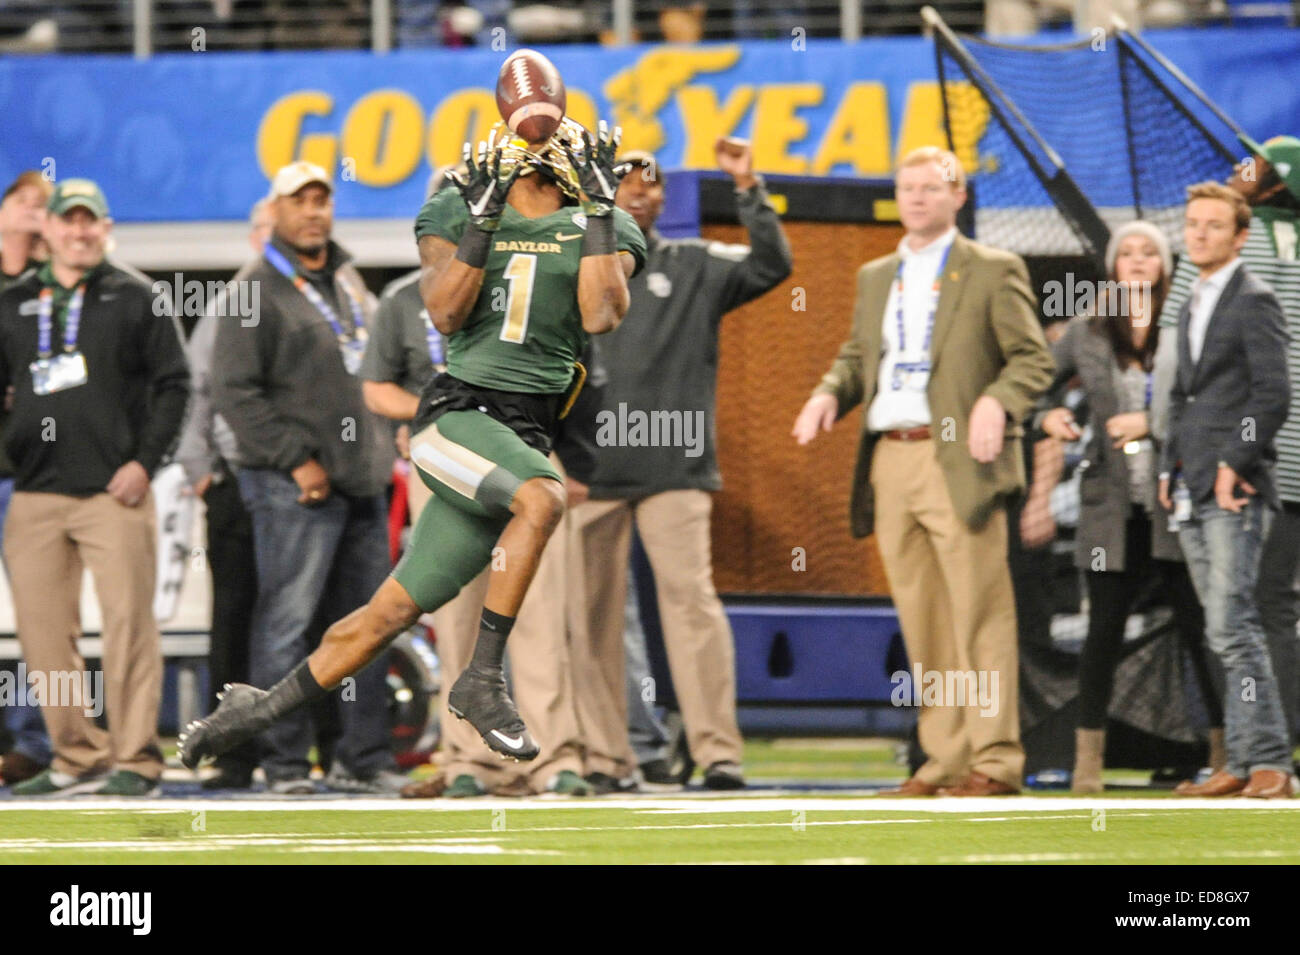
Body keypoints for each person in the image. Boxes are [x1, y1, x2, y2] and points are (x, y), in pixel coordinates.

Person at [179, 118, 646, 775]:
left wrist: (599, 211)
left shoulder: (602, 221)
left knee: (385, 614)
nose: (551, 156)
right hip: (459, 417)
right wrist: (481, 226)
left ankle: (253, 710)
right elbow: (446, 314)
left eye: (560, 146)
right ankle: (483, 677)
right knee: (542, 498)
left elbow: (602, 313)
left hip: (523, 434)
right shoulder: (459, 206)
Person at [792, 146, 1053, 797]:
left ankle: (994, 759)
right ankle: (944, 759)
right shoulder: (877, 273)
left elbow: (1033, 359)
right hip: (891, 456)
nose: (916, 198)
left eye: (930, 188)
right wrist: (829, 391)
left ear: (957, 195)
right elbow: (859, 354)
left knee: (980, 614)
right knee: (924, 619)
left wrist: (998, 400)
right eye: (907, 187)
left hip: (960, 457)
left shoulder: (994, 269)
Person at [558, 138, 792, 791]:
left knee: (692, 605)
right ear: (603, 194)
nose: (645, 191)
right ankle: (608, 757)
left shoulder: (695, 264)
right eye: (630, 181)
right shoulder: (573, 267)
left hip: (675, 466)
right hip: (590, 469)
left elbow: (774, 266)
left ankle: (719, 753)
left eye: (654, 183)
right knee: (590, 614)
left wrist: (749, 190)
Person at [361, 167, 589, 798]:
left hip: (528, 453)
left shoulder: (543, 266)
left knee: (543, 613)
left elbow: (575, 366)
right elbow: (376, 387)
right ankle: (468, 761)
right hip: (450, 463)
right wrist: (434, 416)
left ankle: (553, 758)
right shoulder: (407, 297)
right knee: (455, 614)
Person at [208, 161, 403, 795]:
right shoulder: (251, 290)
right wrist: (297, 458)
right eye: (300, 201)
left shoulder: (347, 285)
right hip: (294, 488)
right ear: (277, 212)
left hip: (363, 483)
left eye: (322, 199)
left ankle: (363, 758)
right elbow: (234, 392)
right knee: (286, 626)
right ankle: (285, 763)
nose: (314, 211)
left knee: (371, 625)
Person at [0, 178, 190, 796]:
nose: (80, 232)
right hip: (34, 493)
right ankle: (76, 758)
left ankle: (136, 759)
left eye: (91, 222)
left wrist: (144, 462)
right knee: (43, 636)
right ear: (48, 230)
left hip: (116, 492)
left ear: (105, 229)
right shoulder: (13, 300)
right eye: (69, 221)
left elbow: (174, 386)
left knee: (128, 626)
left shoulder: (138, 296)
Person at [1037, 220, 1225, 792]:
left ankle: (1225, 760)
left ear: (1166, 266)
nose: (1138, 261)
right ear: (1113, 266)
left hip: (1180, 501)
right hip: (1109, 507)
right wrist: (1048, 415)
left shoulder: (1190, 323)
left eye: (1150, 252)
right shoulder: (1088, 327)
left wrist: (1151, 422)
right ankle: (1087, 766)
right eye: (1128, 253)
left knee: (1200, 630)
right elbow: (1037, 384)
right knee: (1103, 635)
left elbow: (1218, 400)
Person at [1158, 135, 1300, 761]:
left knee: (1237, 622)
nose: (1198, 235)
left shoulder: (1253, 297)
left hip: (1235, 477)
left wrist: (1235, 463)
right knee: (1231, 626)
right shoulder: (1195, 300)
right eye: (1192, 225)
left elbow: (1272, 396)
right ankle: (1244, 758)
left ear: (1240, 234)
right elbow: (1182, 394)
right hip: (1192, 477)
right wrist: (1169, 464)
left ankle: (1265, 758)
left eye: (1212, 226)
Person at [171, 197, 272, 790]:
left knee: (292, 619)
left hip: (301, 487)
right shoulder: (233, 303)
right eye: (265, 232)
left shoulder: (328, 293)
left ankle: (292, 749)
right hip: (237, 481)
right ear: (256, 237)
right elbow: (194, 393)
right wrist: (201, 472)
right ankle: (233, 754)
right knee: (234, 618)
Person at [0, 169, 54, 787]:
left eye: (48, 206)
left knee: (43, 615)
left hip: (35, 476)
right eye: (24, 202)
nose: (36, 214)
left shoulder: (59, 289)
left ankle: (36, 741)